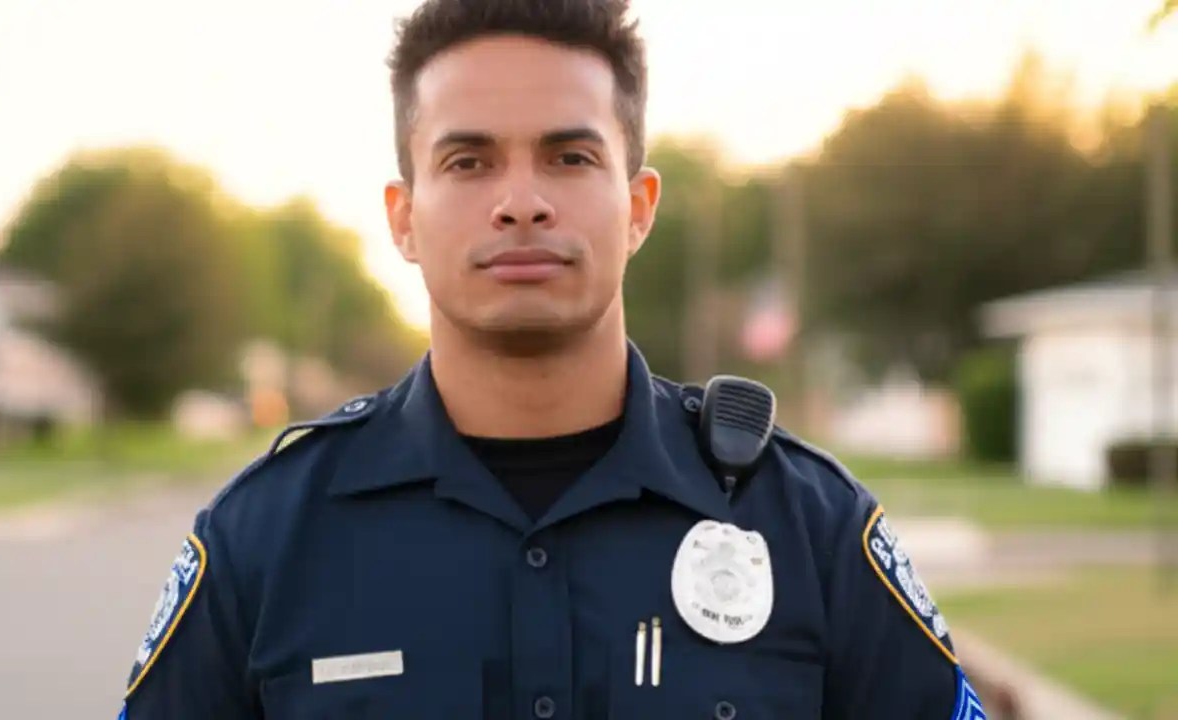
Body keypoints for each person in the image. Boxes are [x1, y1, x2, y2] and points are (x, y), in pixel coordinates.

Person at [118, 1, 987, 718]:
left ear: (638, 207)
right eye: (468, 161)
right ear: (403, 218)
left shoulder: (807, 527)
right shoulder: (266, 540)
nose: (522, 202)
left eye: (570, 158)